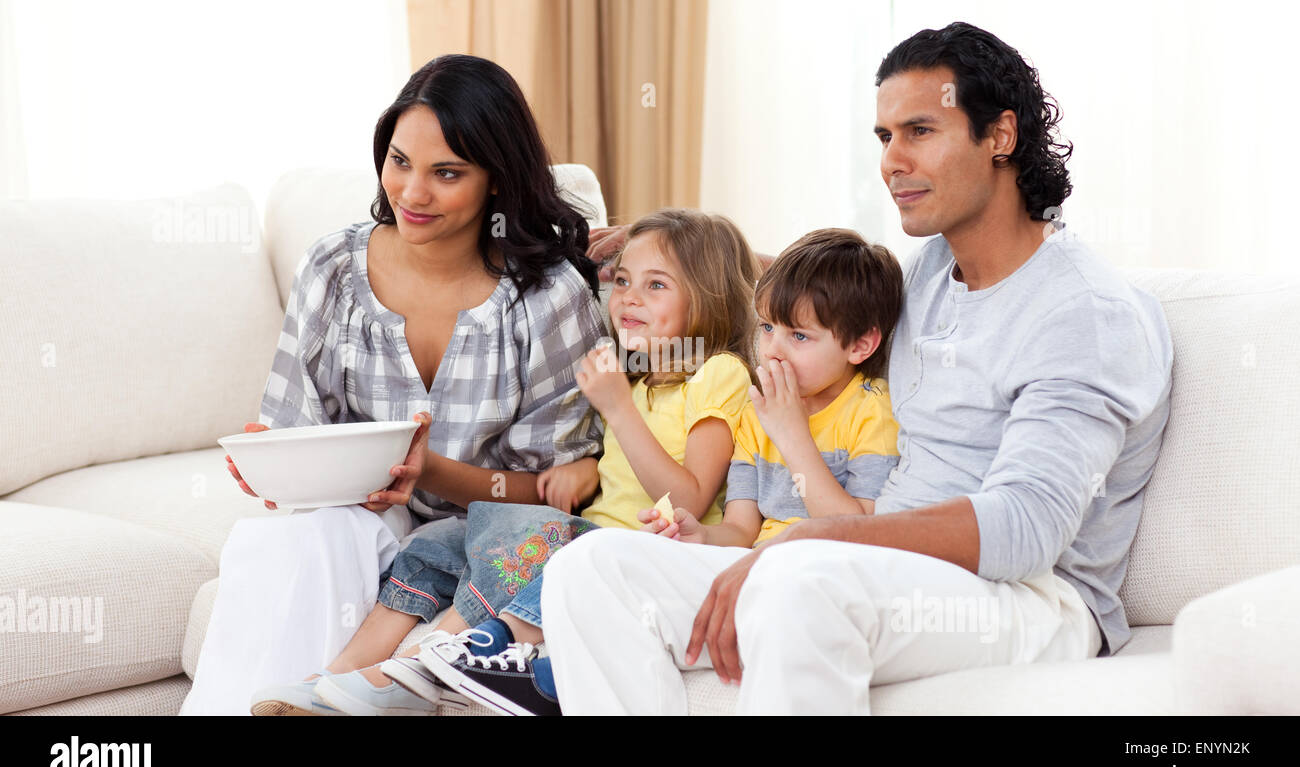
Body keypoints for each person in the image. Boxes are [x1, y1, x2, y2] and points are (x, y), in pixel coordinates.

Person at [535, 21, 1175, 715]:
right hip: (881, 566)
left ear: (1001, 136)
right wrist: (678, 251)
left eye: (920, 131)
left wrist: (826, 536)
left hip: (1033, 597)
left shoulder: (1084, 312)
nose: (892, 161)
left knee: (799, 582)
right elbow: (826, 309)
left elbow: (1026, 530)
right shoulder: (935, 271)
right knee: (589, 570)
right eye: (884, 137)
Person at [180, 54, 606, 716]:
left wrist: (429, 472)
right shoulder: (333, 269)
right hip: (372, 516)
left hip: (498, 529)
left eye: (447, 174)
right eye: (400, 161)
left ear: (497, 182)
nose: (412, 192)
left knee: (515, 542)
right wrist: (277, 466)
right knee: (283, 539)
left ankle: (358, 686)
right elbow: (295, 425)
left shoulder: (549, 297)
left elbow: (555, 495)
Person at [256, 207, 762, 715]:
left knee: (525, 541)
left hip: (633, 556)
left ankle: (412, 673)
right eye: (624, 279)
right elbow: (615, 470)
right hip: (591, 532)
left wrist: (616, 407)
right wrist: (582, 470)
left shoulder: (717, 375)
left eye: (656, 285)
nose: (628, 296)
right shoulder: (632, 379)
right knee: (439, 540)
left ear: (709, 296)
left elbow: (689, 496)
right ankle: (332, 679)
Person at [421, 227, 907, 715]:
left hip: (807, 572)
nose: (773, 351)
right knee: (595, 557)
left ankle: (544, 669)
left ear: (861, 345)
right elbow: (740, 528)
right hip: (747, 563)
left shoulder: (869, 410)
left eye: (799, 336)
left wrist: (794, 437)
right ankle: (550, 673)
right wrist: (697, 534)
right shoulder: (759, 410)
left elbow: (856, 532)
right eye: (765, 329)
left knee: (591, 553)